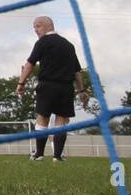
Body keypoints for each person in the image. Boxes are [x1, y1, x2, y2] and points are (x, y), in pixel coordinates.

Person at [19, 15, 90, 163]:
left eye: (37, 26)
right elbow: (77, 72)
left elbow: (30, 64)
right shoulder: (69, 45)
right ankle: (57, 157)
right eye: (34, 27)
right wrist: (81, 91)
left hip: (47, 86)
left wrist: (21, 83)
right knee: (61, 122)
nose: (35, 30)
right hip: (66, 88)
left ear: (49, 25)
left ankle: (39, 154)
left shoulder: (42, 42)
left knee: (42, 120)